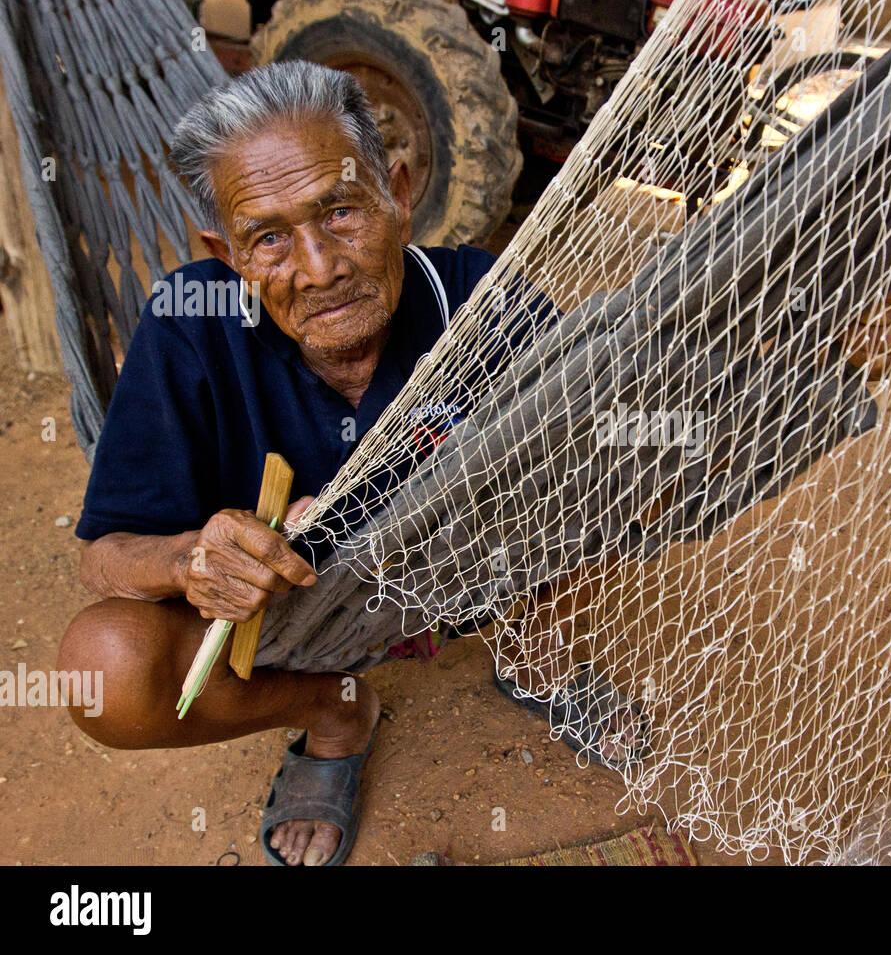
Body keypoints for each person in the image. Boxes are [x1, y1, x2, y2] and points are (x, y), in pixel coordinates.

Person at [58, 61, 644, 867]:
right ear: (227, 258)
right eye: (268, 238)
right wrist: (194, 556)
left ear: (398, 195)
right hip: (292, 615)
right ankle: (335, 713)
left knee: (601, 461)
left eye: (340, 211)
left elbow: (607, 442)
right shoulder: (187, 326)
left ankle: (535, 653)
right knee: (106, 671)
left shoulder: (483, 305)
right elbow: (105, 556)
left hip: (454, 570)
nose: (320, 266)